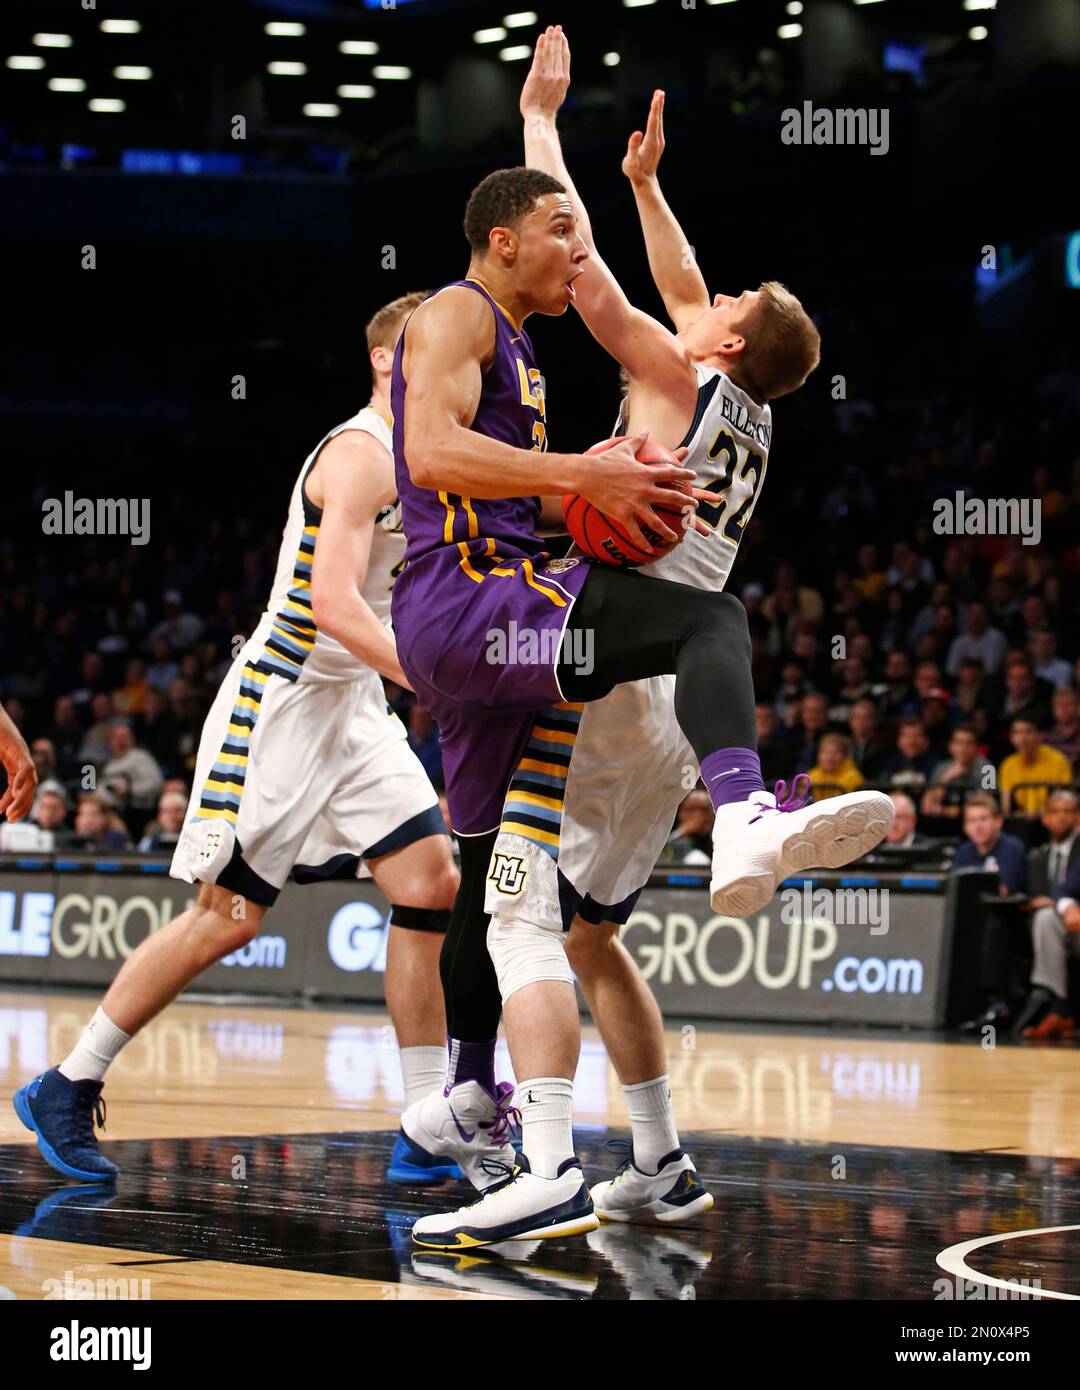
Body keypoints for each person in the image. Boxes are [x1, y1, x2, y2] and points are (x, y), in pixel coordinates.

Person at [393, 28, 892, 1250]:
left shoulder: (671, 369)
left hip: (610, 660)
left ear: (722, 340)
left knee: (517, 906)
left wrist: (544, 130)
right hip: (688, 697)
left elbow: (604, 280)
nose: (708, 294)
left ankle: (543, 1149)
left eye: (724, 302)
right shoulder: (747, 411)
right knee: (596, 931)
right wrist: (650, 181)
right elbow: (673, 283)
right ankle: (659, 1158)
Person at [12, 294, 461, 1188]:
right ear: (385, 361)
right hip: (285, 698)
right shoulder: (360, 454)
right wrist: (432, 679)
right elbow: (333, 604)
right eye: (440, 351)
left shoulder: (432, 459)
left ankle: (427, 1121)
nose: (462, 369)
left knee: (431, 881)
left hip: (353, 701)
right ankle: (68, 1081)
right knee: (229, 917)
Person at [952, 793, 1028, 1032]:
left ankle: (996, 1001)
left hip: (1009, 919)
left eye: (984, 819)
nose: (979, 826)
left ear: (998, 821)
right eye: (972, 820)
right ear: (965, 826)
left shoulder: (1012, 848)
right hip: (972, 918)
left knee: (993, 925)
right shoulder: (964, 852)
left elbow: (1005, 891)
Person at [1014, 790, 1080, 1039]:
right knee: (1044, 918)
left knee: (1049, 916)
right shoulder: (1037, 855)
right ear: (1044, 818)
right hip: (1063, 926)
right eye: (1056, 812)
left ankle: (1058, 1008)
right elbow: (1062, 890)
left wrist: (1059, 903)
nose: (1062, 818)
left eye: (1068, 812)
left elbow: (1068, 888)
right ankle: (1058, 1006)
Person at [998, 716, 1072, 816]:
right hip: (1021, 819)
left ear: (1040, 736)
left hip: (1052, 817)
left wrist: (1037, 814)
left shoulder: (1058, 761)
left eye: (1028, 732)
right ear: (1011, 737)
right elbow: (1006, 807)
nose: (1022, 738)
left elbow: (1063, 801)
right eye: (1017, 732)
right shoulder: (1008, 765)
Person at [920, 724, 994, 820]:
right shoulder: (941, 767)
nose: (963, 748)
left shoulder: (988, 768)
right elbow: (927, 807)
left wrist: (944, 811)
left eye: (969, 743)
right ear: (950, 746)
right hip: (943, 823)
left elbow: (984, 806)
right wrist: (946, 778)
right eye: (958, 743)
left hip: (974, 821)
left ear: (976, 747)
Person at [806, 733, 863, 801]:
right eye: (826, 752)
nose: (830, 757)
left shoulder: (853, 777)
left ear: (844, 756)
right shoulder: (810, 776)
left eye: (835, 752)